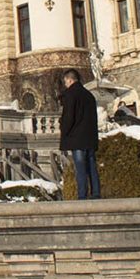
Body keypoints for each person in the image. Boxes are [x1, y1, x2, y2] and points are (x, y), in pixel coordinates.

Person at [59, 68, 100, 200]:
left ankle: (82, 195)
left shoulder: (70, 95)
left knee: (80, 167)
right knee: (92, 166)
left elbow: (69, 117)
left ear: (69, 80)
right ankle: (96, 192)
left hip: (77, 138)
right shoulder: (89, 95)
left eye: (65, 82)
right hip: (90, 138)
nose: (65, 85)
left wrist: (64, 132)